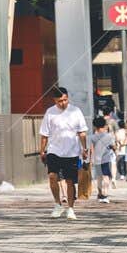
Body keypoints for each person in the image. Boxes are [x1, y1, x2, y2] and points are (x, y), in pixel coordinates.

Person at [39, 85, 89, 220]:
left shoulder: (76, 111)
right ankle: (57, 204)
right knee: (52, 176)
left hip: (72, 151)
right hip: (54, 150)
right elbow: (44, 134)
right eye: (60, 101)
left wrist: (84, 149)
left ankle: (71, 209)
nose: (63, 103)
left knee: (70, 181)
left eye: (65, 100)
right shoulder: (50, 112)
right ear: (54, 101)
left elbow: (82, 132)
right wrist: (42, 150)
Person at [91, 115, 116, 202]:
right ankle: (105, 195)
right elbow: (113, 146)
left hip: (97, 160)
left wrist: (91, 160)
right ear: (104, 125)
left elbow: (92, 149)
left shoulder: (93, 137)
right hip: (106, 159)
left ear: (94, 126)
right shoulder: (108, 136)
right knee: (106, 177)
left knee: (99, 177)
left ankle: (100, 194)